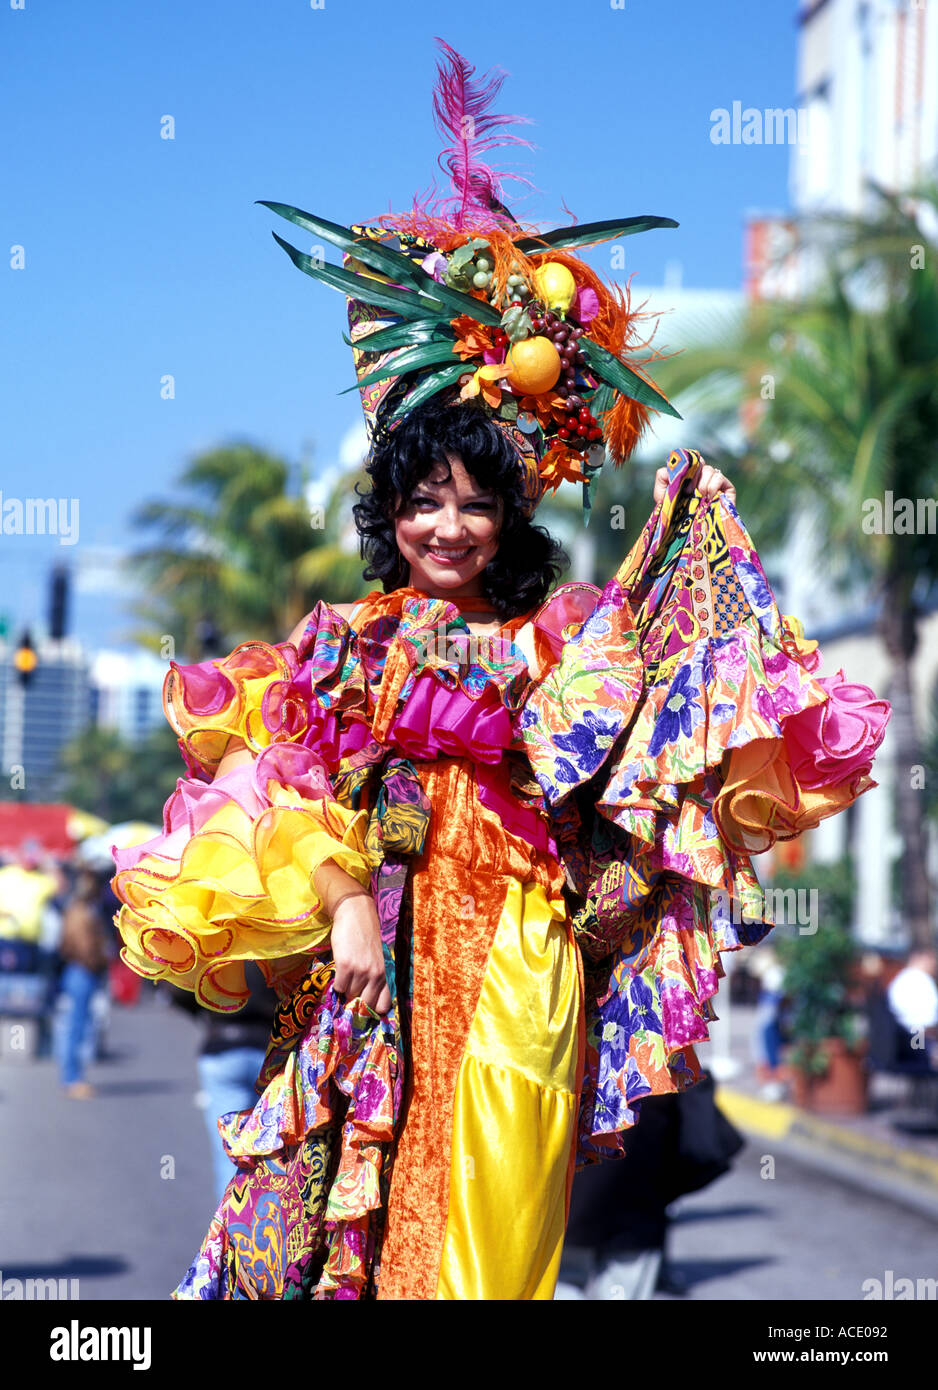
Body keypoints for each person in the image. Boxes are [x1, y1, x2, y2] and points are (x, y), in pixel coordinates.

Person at [110, 42, 891, 1300]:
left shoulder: (570, 638)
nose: (447, 527)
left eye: (476, 502)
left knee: (489, 1252)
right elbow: (286, 786)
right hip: (375, 978)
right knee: (335, 1248)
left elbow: (638, 778)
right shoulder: (343, 645)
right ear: (390, 510)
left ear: (510, 517)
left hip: (527, 970)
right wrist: (349, 899)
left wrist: (625, 869)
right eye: (424, 499)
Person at [56, 868, 110, 1099]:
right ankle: (72, 1078)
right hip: (82, 971)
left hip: (81, 971)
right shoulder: (79, 911)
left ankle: (74, 1076)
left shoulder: (83, 909)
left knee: (79, 1024)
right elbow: (83, 946)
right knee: (75, 1026)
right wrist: (98, 961)